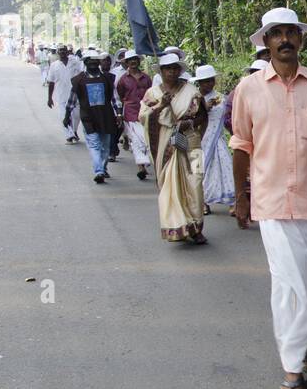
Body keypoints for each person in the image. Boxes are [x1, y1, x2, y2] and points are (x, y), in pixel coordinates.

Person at [229, 8, 307, 389]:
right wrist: (240, 195)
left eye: (291, 32)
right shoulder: (248, 89)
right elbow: (241, 145)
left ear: (301, 39)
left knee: (303, 282)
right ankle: (292, 367)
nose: (285, 39)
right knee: (292, 286)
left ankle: (300, 345)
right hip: (271, 201)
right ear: (265, 42)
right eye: (276, 33)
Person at [139, 51, 208, 244]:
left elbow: (202, 116)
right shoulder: (152, 94)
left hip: (190, 141)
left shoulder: (191, 91)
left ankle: (197, 226)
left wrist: (188, 123)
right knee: (169, 184)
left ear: (179, 70)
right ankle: (179, 224)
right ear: (161, 71)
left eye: (174, 68)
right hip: (165, 142)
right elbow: (143, 117)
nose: (171, 72)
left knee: (196, 182)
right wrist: (161, 105)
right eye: (167, 68)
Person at [71, 49, 121, 184]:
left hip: (106, 116)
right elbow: (72, 99)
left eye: (95, 61)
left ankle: (103, 168)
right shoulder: (78, 80)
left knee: (105, 146)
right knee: (94, 145)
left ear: (99, 62)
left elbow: (113, 98)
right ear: (85, 63)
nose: (92, 63)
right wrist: (66, 116)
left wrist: (119, 114)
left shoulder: (107, 79)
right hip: (88, 117)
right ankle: (98, 171)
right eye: (89, 61)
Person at [194, 64, 234, 212]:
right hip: (198, 141)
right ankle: (202, 202)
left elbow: (227, 118)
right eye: (205, 81)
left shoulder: (221, 98)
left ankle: (232, 202)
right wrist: (203, 108)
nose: (209, 84)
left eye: (211, 80)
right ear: (199, 83)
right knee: (198, 172)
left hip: (217, 140)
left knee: (226, 168)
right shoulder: (193, 99)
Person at [115, 51, 154, 180]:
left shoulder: (146, 78)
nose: (133, 62)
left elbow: (152, 93)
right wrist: (120, 113)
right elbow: (121, 96)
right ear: (126, 62)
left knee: (145, 138)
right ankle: (141, 167)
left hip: (145, 112)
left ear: (139, 61)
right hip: (130, 112)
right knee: (137, 140)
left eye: (135, 59)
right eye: (130, 60)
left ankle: (143, 162)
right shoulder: (123, 79)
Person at [46, 45, 85, 143]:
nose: (62, 52)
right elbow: (51, 82)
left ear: (67, 52)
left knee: (76, 116)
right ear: (58, 53)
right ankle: (69, 135)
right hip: (61, 95)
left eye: (64, 50)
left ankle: (74, 131)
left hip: (75, 95)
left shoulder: (75, 62)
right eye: (60, 50)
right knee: (64, 116)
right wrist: (49, 98)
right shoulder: (54, 65)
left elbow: (82, 74)